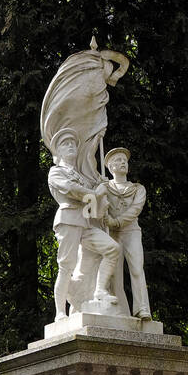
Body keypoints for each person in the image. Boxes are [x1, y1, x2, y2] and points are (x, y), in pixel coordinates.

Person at [47, 128, 121, 320]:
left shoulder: (81, 175)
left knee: (112, 249)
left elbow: (94, 198)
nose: (71, 146)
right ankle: (60, 312)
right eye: (66, 144)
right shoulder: (56, 172)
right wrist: (94, 193)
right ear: (58, 152)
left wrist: (102, 188)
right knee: (66, 266)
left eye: (73, 143)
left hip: (86, 223)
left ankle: (99, 291)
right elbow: (70, 189)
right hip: (68, 219)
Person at [103, 147, 150, 319]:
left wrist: (116, 221)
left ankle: (142, 308)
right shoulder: (105, 187)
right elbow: (99, 207)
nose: (123, 162)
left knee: (137, 268)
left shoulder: (138, 189)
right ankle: (119, 310)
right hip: (112, 234)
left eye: (125, 160)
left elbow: (135, 210)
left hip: (131, 232)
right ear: (110, 167)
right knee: (115, 273)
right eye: (118, 160)